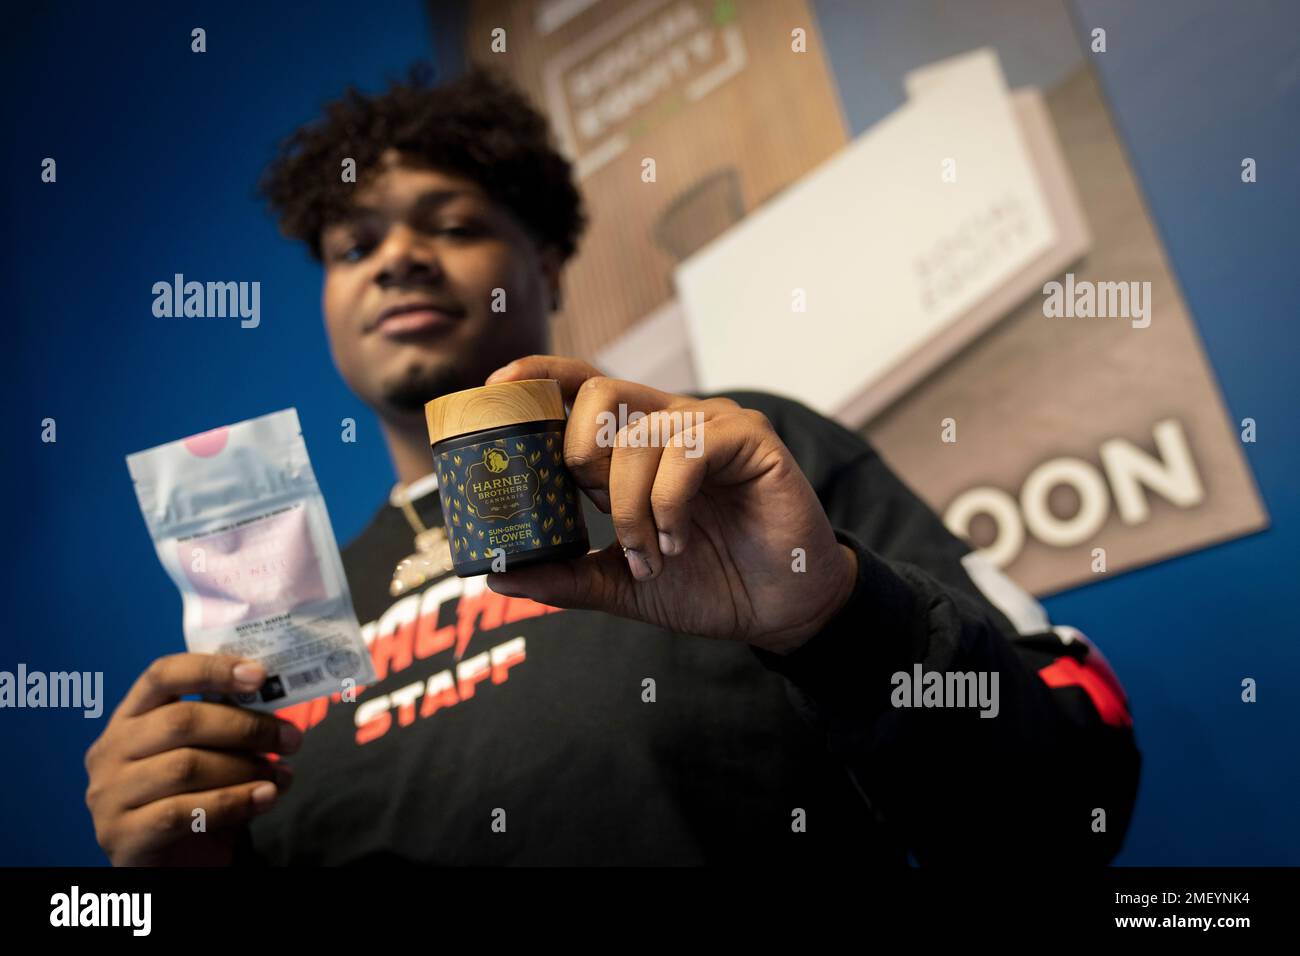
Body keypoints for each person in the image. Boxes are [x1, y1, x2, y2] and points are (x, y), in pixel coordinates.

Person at [84, 65, 1140, 866]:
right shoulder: (285, 614)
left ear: (542, 263)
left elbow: (1069, 802)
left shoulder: (739, 465)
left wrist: (833, 619)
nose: (397, 257)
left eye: (450, 224)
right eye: (353, 247)